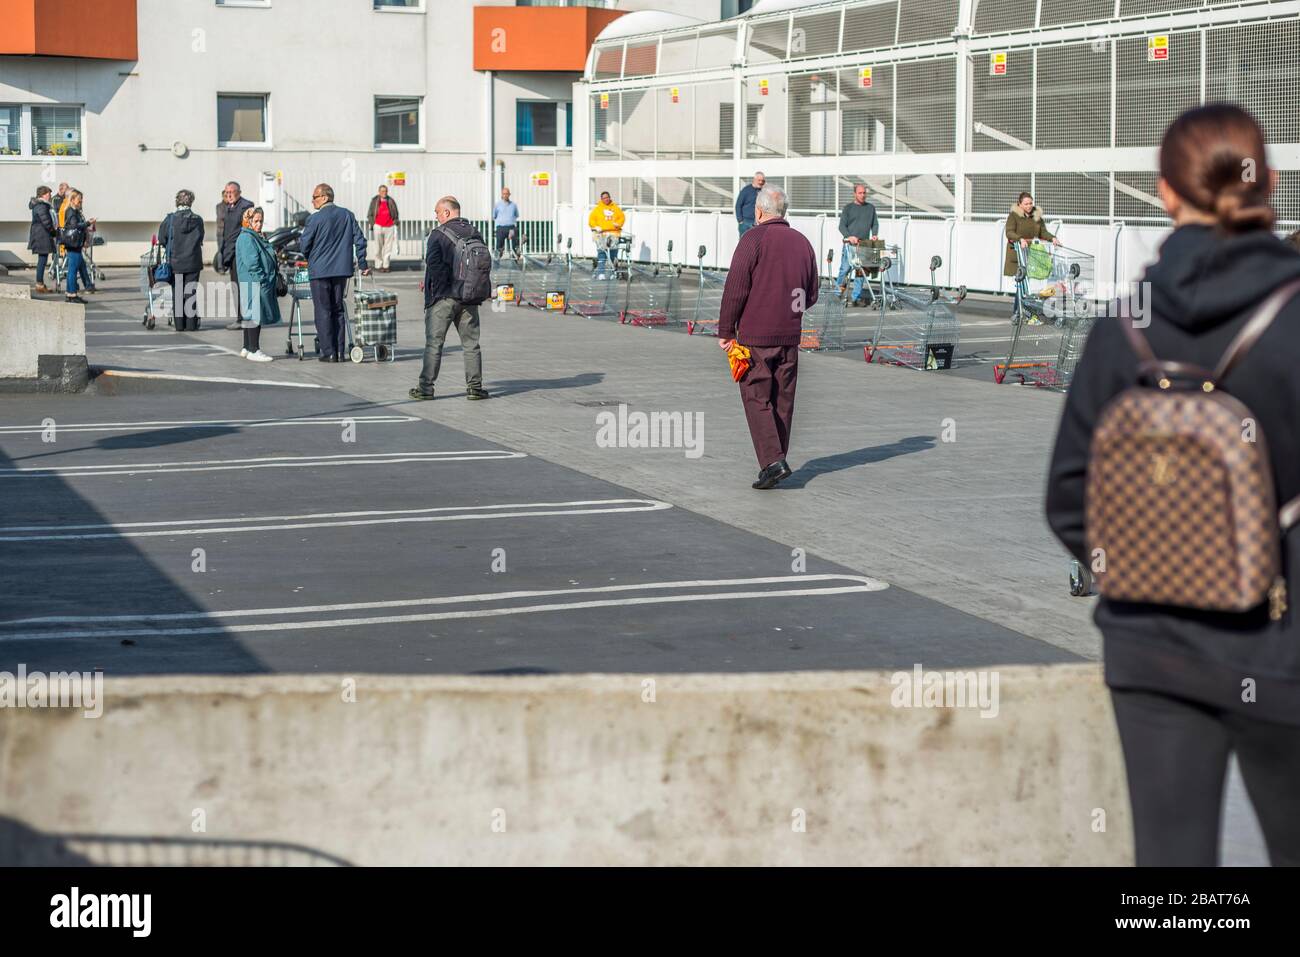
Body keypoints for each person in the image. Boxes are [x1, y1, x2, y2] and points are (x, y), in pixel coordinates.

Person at [1046, 103, 1300, 867]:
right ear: (1271, 182)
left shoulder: (1122, 326)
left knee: (1171, 871)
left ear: (1165, 193)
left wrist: (1156, 565)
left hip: (1150, 648)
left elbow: (1067, 496)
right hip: (1283, 644)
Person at [717, 186, 818, 490]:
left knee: (756, 396)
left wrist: (725, 330)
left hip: (756, 336)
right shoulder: (802, 243)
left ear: (758, 212)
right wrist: (790, 312)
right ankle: (776, 461)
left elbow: (735, 288)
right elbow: (810, 293)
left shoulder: (753, 239)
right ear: (783, 211)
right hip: (789, 335)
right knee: (782, 400)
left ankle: (773, 461)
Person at [408, 195, 489, 401]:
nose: (436, 217)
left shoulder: (438, 234)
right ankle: (475, 387)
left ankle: (426, 388)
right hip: (469, 297)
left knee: (434, 343)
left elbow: (434, 265)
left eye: (437, 212)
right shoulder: (474, 232)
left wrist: (432, 286)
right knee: (471, 343)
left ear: (446, 212)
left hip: (443, 298)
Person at [298, 183, 368, 362]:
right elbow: (360, 240)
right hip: (341, 271)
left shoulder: (315, 219)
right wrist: (362, 262)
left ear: (325, 197)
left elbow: (304, 245)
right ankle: (338, 351)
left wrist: (310, 256)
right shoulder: (347, 215)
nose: (312, 200)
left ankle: (328, 352)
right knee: (337, 309)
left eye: (315, 197)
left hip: (319, 271)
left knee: (323, 310)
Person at [234, 206, 281, 362]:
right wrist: (262, 280)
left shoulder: (253, 236)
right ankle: (254, 349)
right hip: (254, 281)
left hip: (252, 281)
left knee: (250, 315)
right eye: (256, 221)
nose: (259, 224)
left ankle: (247, 347)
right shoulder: (247, 237)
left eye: (261, 221)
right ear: (248, 221)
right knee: (255, 316)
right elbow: (252, 263)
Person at [157, 189, 205, 331]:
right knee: (190, 292)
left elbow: (162, 238)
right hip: (193, 261)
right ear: (191, 201)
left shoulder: (170, 219)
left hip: (176, 262)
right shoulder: (198, 220)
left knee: (177, 293)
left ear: (177, 201)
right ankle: (191, 325)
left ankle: (179, 325)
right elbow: (200, 237)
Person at [216, 181, 254, 330]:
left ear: (238, 192)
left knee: (242, 287)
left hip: (240, 254)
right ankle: (240, 317)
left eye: (231, 192)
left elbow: (241, 232)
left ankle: (244, 318)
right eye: (226, 192)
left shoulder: (245, 206)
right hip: (231, 254)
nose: (229, 195)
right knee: (236, 287)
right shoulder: (228, 207)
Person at [836, 183, 880, 307]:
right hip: (850, 245)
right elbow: (841, 226)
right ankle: (837, 292)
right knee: (845, 269)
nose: (862, 195)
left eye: (864, 193)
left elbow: (875, 224)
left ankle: (856, 297)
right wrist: (849, 236)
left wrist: (875, 234)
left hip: (864, 244)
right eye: (860, 193)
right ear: (855, 194)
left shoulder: (871, 208)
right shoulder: (848, 208)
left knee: (861, 273)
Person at [59, 189, 93, 305]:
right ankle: (72, 294)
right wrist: (88, 223)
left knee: (73, 269)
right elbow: (74, 225)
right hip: (73, 244)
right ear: (72, 200)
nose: (81, 201)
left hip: (75, 244)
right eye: (79, 199)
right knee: (72, 270)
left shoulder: (75, 211)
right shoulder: (71, 211)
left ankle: (70, 294)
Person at [27, 186, 58, 294]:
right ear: (43, 194)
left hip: (41, 235)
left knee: (42, 259)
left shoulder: (40, 205)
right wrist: (54, 232)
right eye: (49, 193)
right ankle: (39, 284)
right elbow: (46, 222)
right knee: (42, 260)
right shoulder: (41, 205)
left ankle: (40, 283)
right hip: (42, 235)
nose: (50, 195)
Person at [587, 190, 625, 277]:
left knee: (613, 254)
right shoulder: (597, 209)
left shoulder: (615, 208)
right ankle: (601, 273)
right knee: (602, 253)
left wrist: (618, 224)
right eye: (604, 198)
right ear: (601, 199)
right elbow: (591, 220)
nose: (606, 199)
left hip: (614, 234)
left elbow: (621, 217)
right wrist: (596, 226)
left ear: (610, 197)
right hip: (601, 234)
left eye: (607, 197)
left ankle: (613, 273)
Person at [366, 185, 400, 273]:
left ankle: (386, 265)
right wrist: (372, 223)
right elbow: (370, 213)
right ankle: (378, 265)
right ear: (379, 192)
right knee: (378, 247)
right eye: (382, 191)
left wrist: (395, 222)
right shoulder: (375, 201)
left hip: (389, 226)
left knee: (388, 247)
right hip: (378, 225)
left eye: (385, 191)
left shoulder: (391, 200)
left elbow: (396, 213)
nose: (384, 193)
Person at [734, 171, 766, 237]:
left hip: (758, 222)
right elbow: (738, 205)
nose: (761, 182)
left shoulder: (763, 191)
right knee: (744, 243)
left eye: (763, 181)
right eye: (759, 180)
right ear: (754, 180)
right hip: (745, 222)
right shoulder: (746, 190)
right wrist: (740, 221)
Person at [492, 187, 520, 259]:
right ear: (502, 195)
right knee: (499, 246)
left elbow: (516, 215)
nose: (505, 195)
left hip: (511, 227)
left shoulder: (513, 205)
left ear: (509, 194)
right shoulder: (497, 205)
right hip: (501, 228)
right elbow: (494, 216)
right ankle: (497, 261)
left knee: (514, 243)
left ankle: (515, 258)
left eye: (507, 194)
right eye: (504, 194)